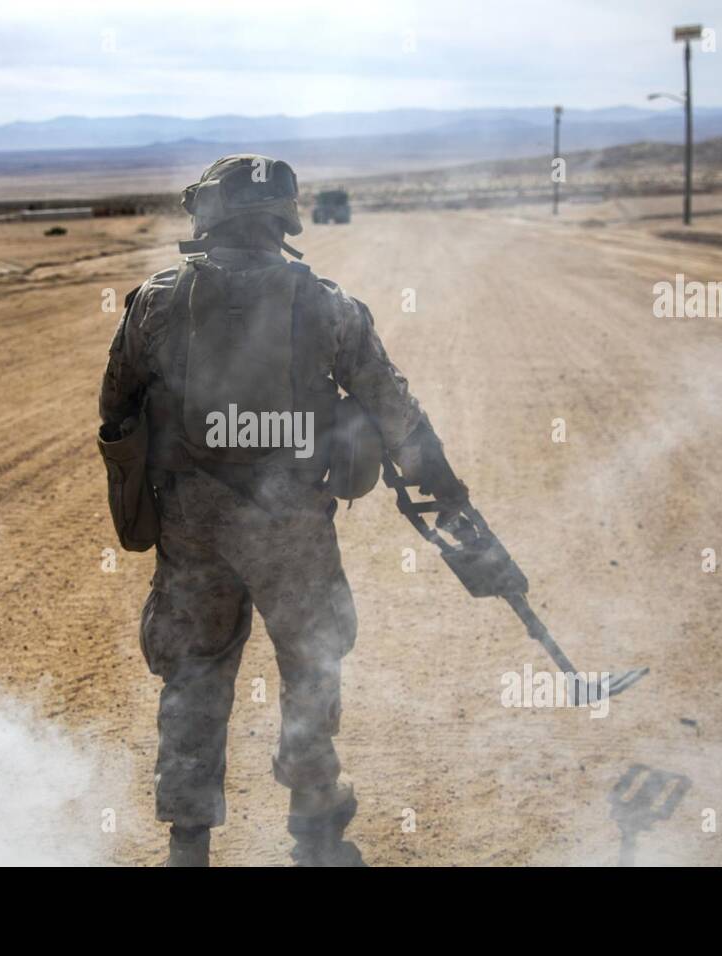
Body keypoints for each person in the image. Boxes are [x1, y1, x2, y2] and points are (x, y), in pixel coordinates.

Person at [98, 155, 468, 866]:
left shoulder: (156, 300)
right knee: (311, 659)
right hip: (293, 522)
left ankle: (188, 838)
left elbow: (115, 406)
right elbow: (393, 408)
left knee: (196, 671)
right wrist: (445, 487)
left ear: (208, 214)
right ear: (285, 217)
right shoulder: (329, 302)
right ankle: (313, 813)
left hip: (194, 527)